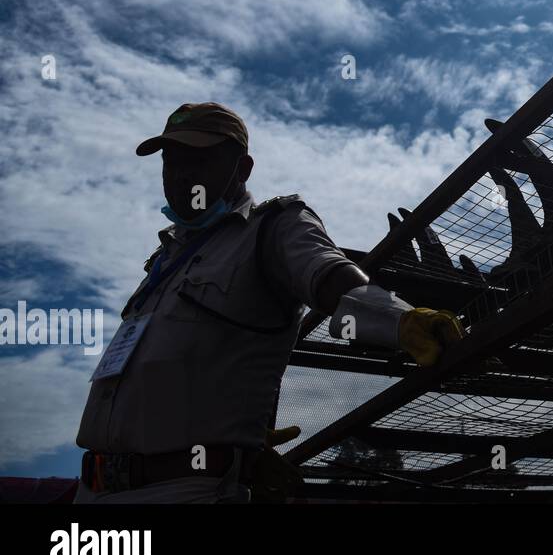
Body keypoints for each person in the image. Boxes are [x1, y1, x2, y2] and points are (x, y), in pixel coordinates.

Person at [74, 102, 462, 503]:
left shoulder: (273, 226)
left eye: (200, 159)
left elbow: (330, 276)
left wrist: (401, 320)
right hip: (92, 488)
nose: (181, 174)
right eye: (172, 161)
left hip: (185, 490)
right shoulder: (163, 259)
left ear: (242, 168)